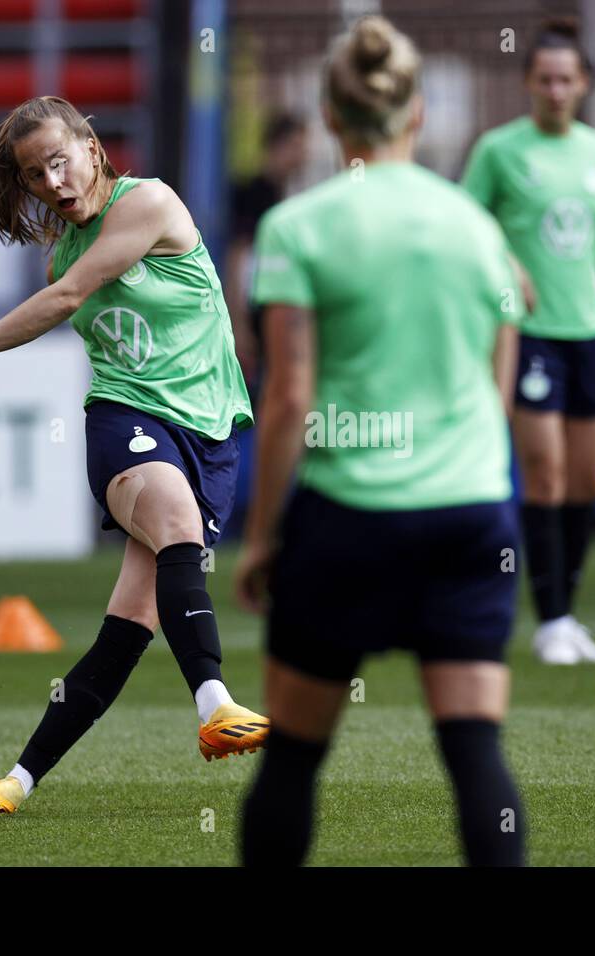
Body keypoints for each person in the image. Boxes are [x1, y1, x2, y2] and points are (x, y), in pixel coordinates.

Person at [234, 16, 526, 866]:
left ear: (329, 115)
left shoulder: (300, 226)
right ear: (419, 114)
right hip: (470, 516)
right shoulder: (477, 227)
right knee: (475, 754)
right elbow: (497, 382)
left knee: (291, 758)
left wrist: (262, 538)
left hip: (347, 523)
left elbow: (288, 396)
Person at [0, 95, 266, 816]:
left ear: (91, 147)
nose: (52, 181)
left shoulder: (150, 204)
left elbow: (71, 295)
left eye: (59, 159)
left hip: (209, 434)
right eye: (34, 174)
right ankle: (215, 706)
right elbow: (68, 291)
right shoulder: (64, 252)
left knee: (127, 630)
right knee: (173, 522)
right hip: (126, 423)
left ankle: (14, 783)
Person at [461, 17, 595, 666]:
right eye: (544, 78)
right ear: (527, 81)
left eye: (566, 79)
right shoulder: (498, 150)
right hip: (527, 335)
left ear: (584, 84)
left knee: (588, 479)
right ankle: (549, 622)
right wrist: (509, 267)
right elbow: (466, 228)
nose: (555, 89)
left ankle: (567, 615)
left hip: (588, 335)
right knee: (543, 472)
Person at [226, 112, 309, 391]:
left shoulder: (282, 193)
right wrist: (239, 322)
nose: (303, 156)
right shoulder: (255, 193)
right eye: (297, 146)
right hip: (254, 310)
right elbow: (239, 255)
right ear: (278, 146)